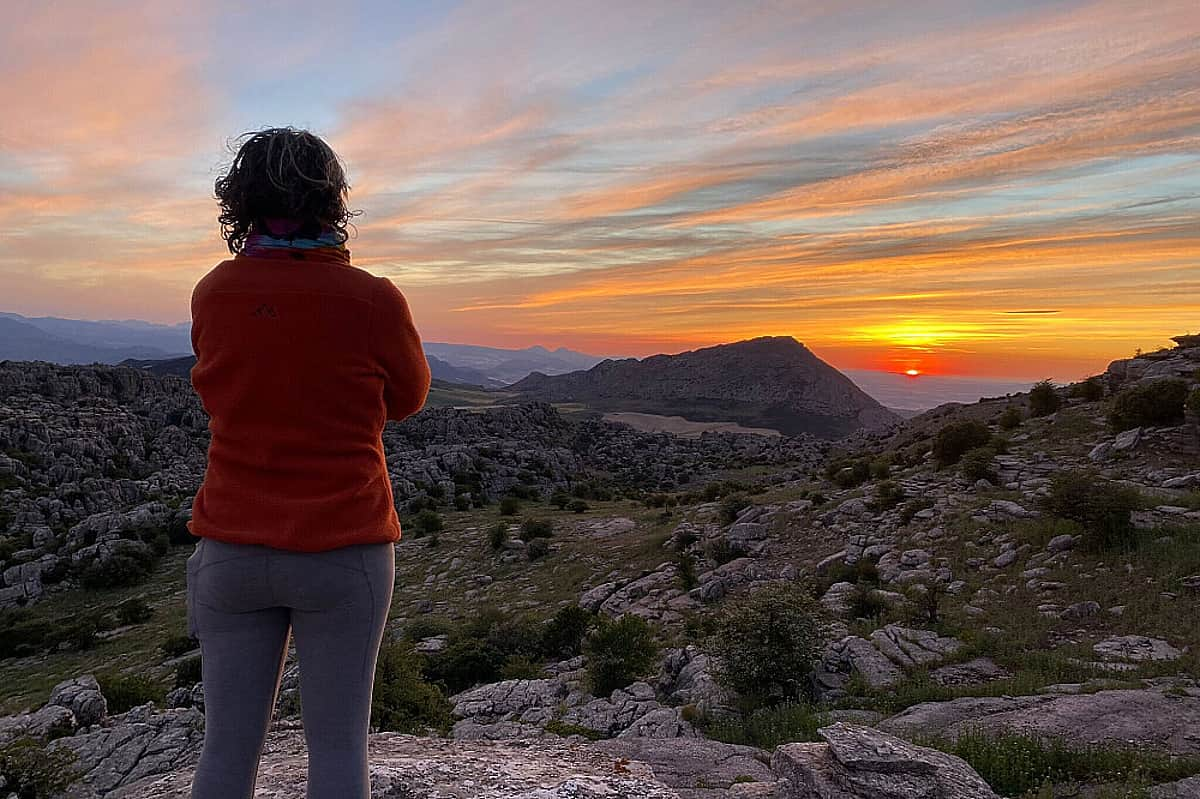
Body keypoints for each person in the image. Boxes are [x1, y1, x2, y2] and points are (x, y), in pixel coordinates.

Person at [185, 126, 431, 799]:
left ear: (241, 201)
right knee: (338, 749)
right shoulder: (374, 299)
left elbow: (222, 386)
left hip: (231, 546)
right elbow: (408, 398)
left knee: (226, 754)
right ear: (332, 201)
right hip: (342, 547)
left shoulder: (213, 293)